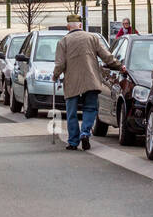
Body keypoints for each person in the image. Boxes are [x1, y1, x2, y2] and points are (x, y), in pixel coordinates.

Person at [53, 18, 123, 151]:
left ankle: (73, 142)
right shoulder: (93, 37)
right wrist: (120, 66)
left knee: (72, 112)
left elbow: (60, 64)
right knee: (90, 108)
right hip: (91, 80)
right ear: (80, 25)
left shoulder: (63, 42)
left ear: (68, 27)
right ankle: (85, 133)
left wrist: (55, 75)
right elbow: (106, 57)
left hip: (72, 82)